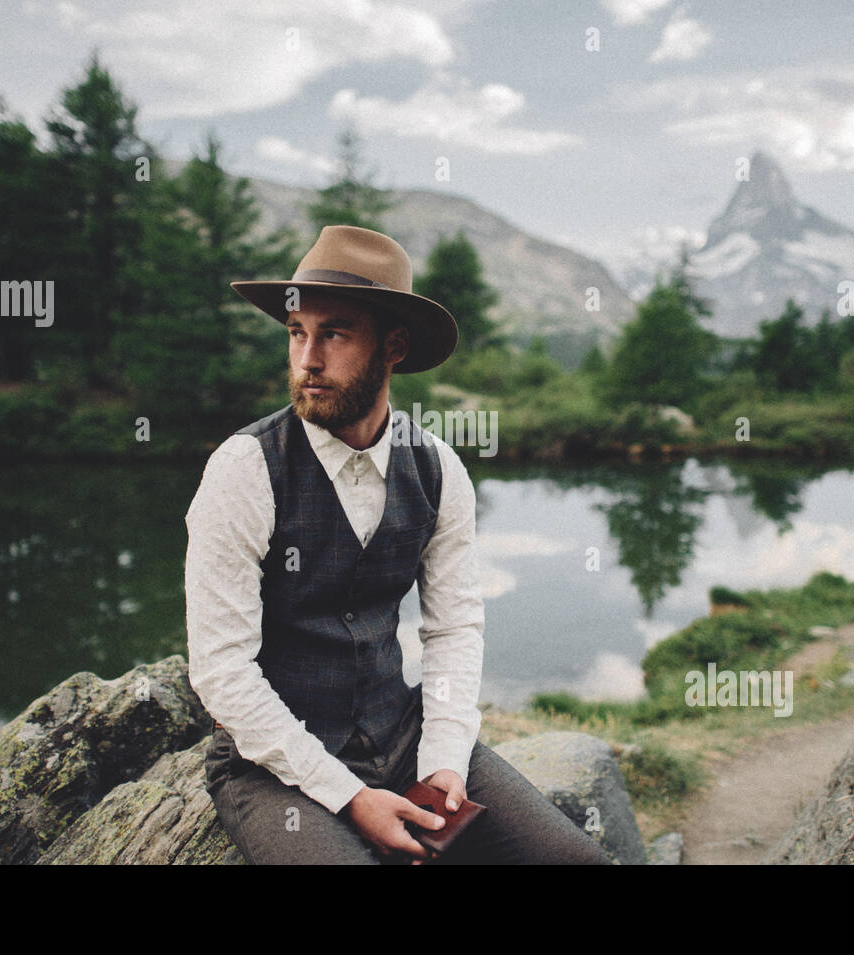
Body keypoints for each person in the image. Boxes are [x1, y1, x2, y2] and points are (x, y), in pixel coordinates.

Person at [185, 224, 612, 865]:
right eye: (298, 333)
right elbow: (222, 672)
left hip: (404, 734)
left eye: (335, 333)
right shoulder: (244, 468)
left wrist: (443, 762)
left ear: (395, 346)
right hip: (271, 767)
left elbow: (454, 629)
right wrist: (351, 795)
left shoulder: (439, 469)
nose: (307, 360)